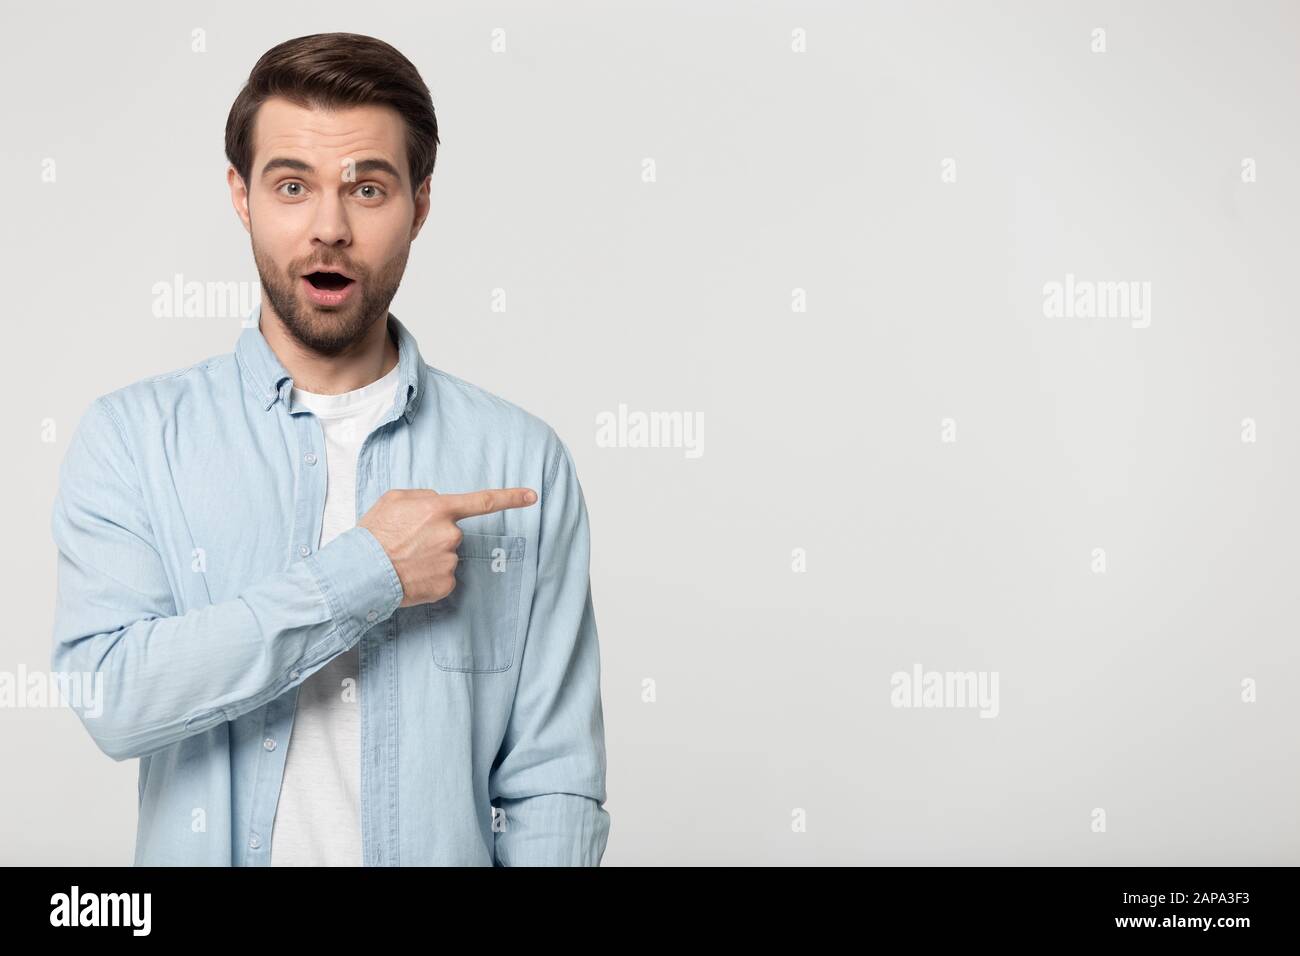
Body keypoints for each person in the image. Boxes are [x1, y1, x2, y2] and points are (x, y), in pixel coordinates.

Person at [49, 32, 609, 866]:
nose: (329, 228)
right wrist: (366, 573)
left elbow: (553, 779)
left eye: (368, 188)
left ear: (420, 204)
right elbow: (116, 700)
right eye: (291, 186)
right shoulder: (133, 441)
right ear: (241, 196)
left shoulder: (519, 463)